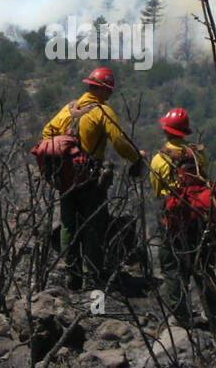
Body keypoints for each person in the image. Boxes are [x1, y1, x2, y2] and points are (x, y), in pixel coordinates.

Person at [40, 67, 143, 289]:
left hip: (64, 178)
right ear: (102, 90)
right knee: (94, 225)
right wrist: (136, 158)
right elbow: (119, 142)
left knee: (68, 224)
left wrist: (67, 153)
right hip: (89, 178)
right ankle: (91, 278)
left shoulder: (68, 109)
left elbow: (47, 133)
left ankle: (71, 275)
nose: (110, 95)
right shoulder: (103, 111)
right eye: (109, 90)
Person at [149, 107, 216, 329]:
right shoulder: (198, 153)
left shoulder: (159, 159)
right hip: (200, 218)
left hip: (174, 220)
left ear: (166, 130)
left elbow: (157, 190)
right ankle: (215, 315)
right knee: (205, 267)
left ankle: (181, 317)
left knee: (173, 268)